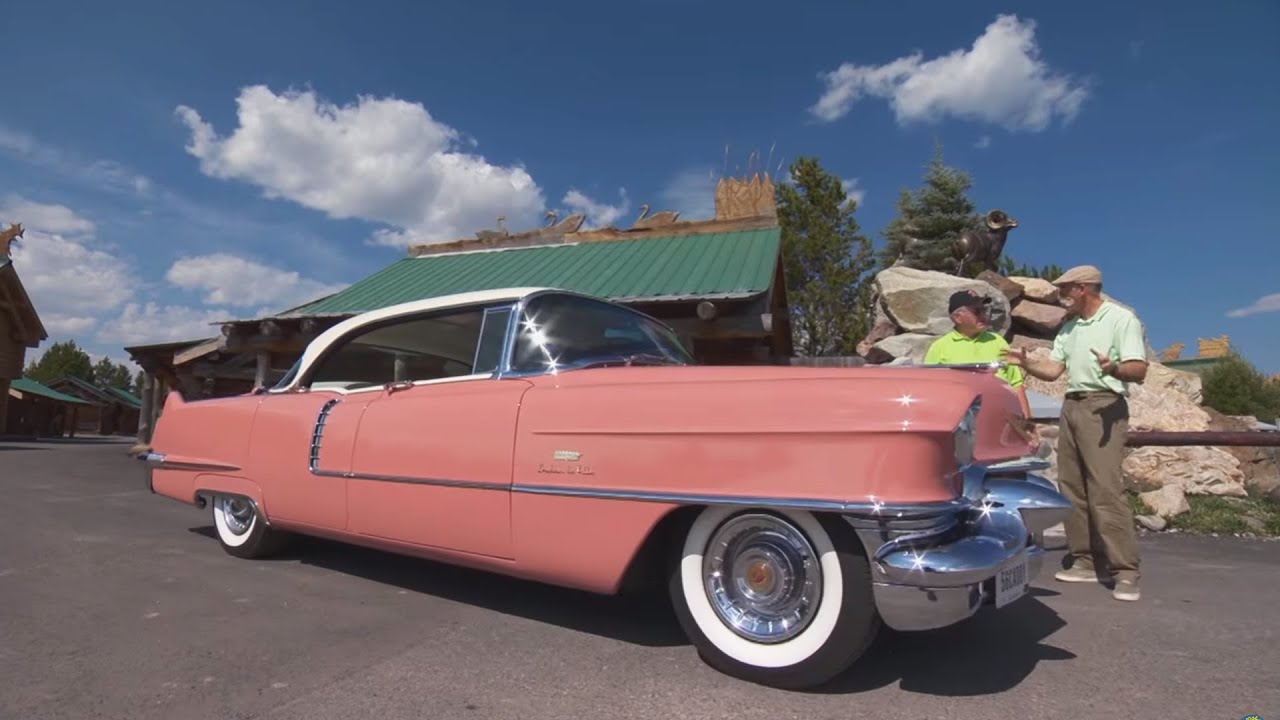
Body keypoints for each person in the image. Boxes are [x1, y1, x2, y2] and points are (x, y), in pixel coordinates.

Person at [1002, 264, 1148, 602]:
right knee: (1071, 486)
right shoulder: (1070, 328)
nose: (1060, 294)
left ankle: (1125, 570)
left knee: (1105, 488)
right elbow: (1053, 371)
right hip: (1072, 405)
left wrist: (1115, 368)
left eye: (1065, 288)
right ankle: (1084, 560)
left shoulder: (1120, 319)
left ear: (1084, 288)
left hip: (1104, 405)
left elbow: (1138, 369)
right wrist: (1025, 363)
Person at [924, 289, 1031, 419]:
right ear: (958, 318)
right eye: (977, 311)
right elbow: (930, 390)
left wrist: (1027, 421)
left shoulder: (998, 341)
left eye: (984, 310)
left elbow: (1016, 385)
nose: (983, 315)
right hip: (959, 422)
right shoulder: (939, 348)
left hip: (998, 419)